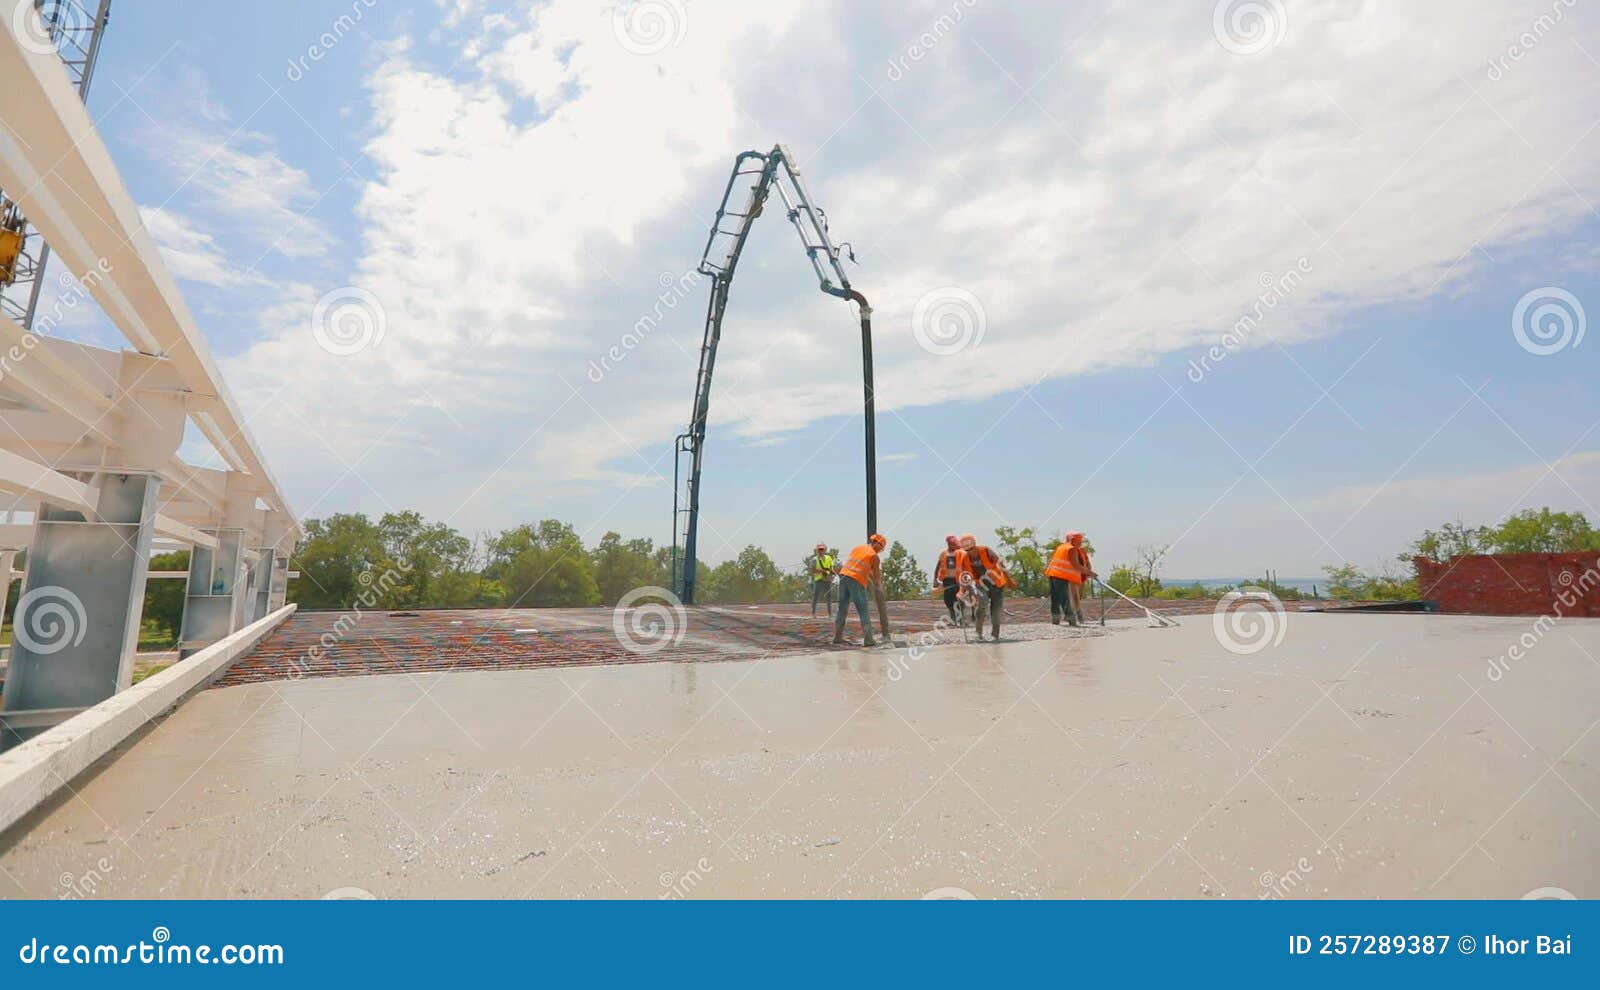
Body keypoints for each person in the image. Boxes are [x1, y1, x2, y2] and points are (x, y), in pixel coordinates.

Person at [832, 533, 888, 647]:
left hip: (843, 577)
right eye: (881, 548)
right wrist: (880, 591)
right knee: (863, 610)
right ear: (877, 544)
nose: (880, 551)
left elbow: (862, 567)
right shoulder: (874, 556)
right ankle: (868, 640)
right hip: (856, 581)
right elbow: (876, 578)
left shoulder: (858, 548)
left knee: (842, 609)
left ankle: (837, 637)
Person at [960, 533, 1013, 641]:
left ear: (975, 545)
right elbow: (965, 576)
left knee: (996, 609)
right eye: (967, 550)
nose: (970, 551)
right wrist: (962, 591)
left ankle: (995, 635)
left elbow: (1001, 564)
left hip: (996, 583)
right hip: (981, 585)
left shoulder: (986, 550)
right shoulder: (964, 559)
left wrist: (1009, 579)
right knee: (981, 606)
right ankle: (978, 632)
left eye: (972, 548)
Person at [1046, 531, 1096, 625]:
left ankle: (1055, 618)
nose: (1081, 542)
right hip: (1061, 575)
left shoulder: (1061, 547)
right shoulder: (1071, 549)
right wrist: (1090, 573)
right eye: (1079, 540)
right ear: (1073, 540)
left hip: (1053, 574)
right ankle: (1071, 618)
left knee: (1056, 598)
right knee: (1064, 598)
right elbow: (1076, 565)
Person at [932, 534, 972, 623]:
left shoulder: (962, 553)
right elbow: (938, 566)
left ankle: (961, 619)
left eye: (955, 543)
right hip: (947, 580)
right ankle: (953, 617)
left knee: (959, 599)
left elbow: (968, 566)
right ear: (949, 544)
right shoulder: (943, 553)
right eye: (952, 544)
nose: (954, 545)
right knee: (948, 600)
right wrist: (935, 579)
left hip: (959, 580)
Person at [806, 542, 836, 617]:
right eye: (819, 549)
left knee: (829, 597)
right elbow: (812, 571)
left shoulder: (829, 558)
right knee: (816, 596)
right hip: (819, 580)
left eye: (822, 549)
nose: (821, 551)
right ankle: (813, 613)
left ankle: (830, 613)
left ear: (825, 550)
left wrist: (832, 574)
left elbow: (831, 568)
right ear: (816, 550)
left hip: (827, 579)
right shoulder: (814, 559)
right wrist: (822, 571)